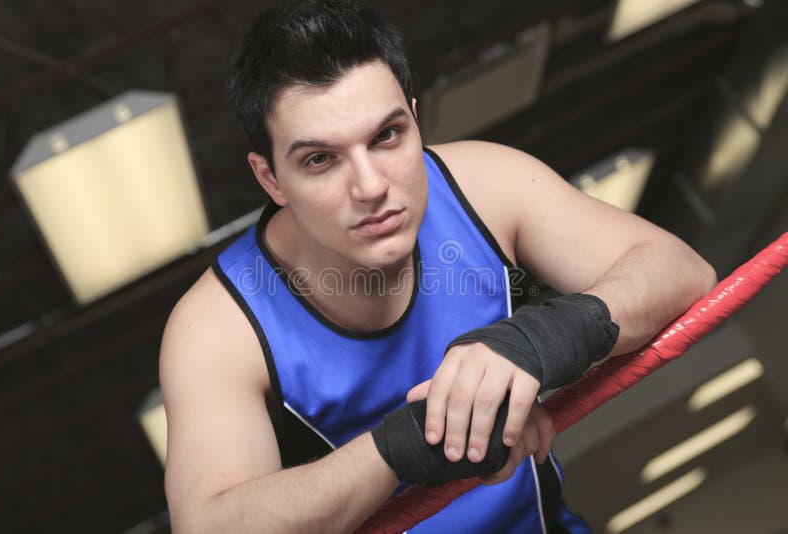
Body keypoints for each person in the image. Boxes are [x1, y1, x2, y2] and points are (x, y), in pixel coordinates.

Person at [159, 1, 717, 532]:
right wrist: (406, 444)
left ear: (415, 121)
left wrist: (538, 340)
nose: (372, 186)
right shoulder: (216, 327)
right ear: (270, 179)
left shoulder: (486, 184)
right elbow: (210, 524)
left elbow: (682, 271)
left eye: (387, 136)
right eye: (320, 160)